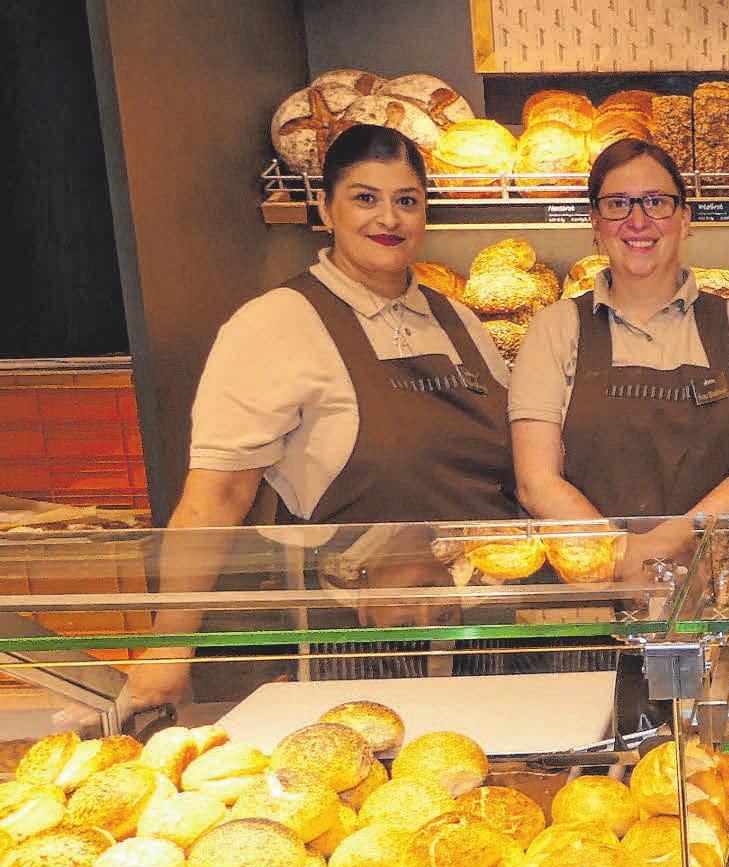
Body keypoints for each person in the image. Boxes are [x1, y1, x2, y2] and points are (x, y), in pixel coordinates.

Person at [124, 125, 519, 708]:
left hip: (486, 633)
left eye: (406, 200)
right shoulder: (276, 323)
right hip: (358, 646)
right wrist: (168, 651)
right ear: (325, 208)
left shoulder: (458, 320)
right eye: (366, 198)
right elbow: (216, 497)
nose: (389, 218)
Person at [509, 138, 729, 573]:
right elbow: (536, 482)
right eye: (618, 204)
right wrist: (616, 555)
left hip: (710, 589)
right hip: (591, 591)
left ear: (684, 219)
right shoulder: (555, 328)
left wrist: (658, 546)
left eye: (656, 202)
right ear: (595, 223)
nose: (638, 221)